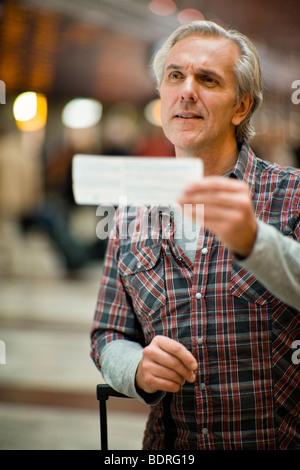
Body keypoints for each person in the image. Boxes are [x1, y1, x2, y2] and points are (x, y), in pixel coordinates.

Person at [90, 21, 300, 450]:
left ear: (241, 107)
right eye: (175, 75)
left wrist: (254, 241)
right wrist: (136, 369)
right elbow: (107, 334)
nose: (187, 90)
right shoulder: (132, 209)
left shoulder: (292, 194)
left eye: (207, 79)